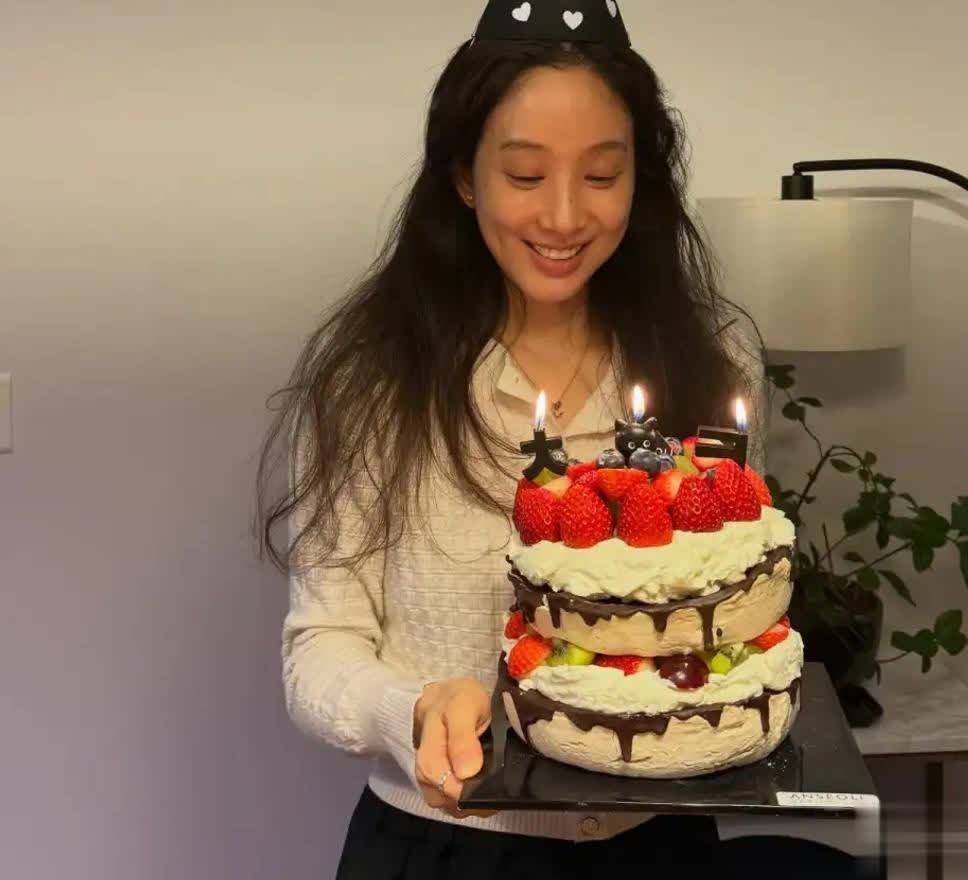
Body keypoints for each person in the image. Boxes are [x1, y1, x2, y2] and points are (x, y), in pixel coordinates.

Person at [256, 2, 863, 877]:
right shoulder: (371, 380)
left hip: (662, 847)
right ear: (463, 176)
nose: (565, 215)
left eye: (602, 174)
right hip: (445, 852)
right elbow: (317, 648)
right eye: (526, 174)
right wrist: (410, 709)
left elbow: (728, 590)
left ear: (641, 178)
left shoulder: (711, 354)